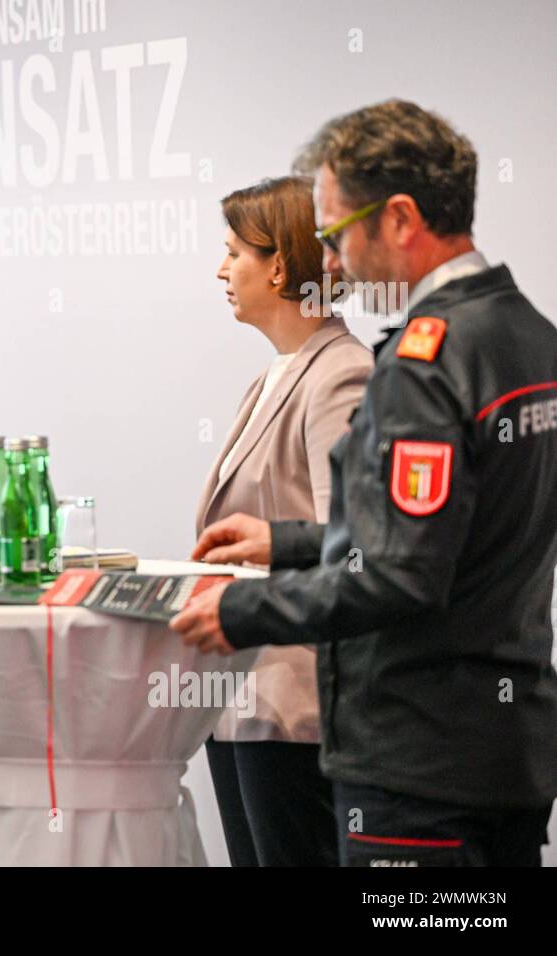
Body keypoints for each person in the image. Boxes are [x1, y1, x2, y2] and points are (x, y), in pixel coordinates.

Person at [173, 100, 557, 866]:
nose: (335, 262)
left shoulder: (425, 362)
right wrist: (285, 540)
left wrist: (244, 610)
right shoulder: (528, 335)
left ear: (402, 218)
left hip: (416, 762)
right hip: (503, 753)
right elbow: (446, 531)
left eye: (340, 231)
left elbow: (397, 575)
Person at [198, 176, 372, 866]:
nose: (221, 269)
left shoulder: (341, 375)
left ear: (278, 265)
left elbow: (353, 545)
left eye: (234, 252)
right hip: (243, 693)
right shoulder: (275, 375)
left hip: (298, 707)